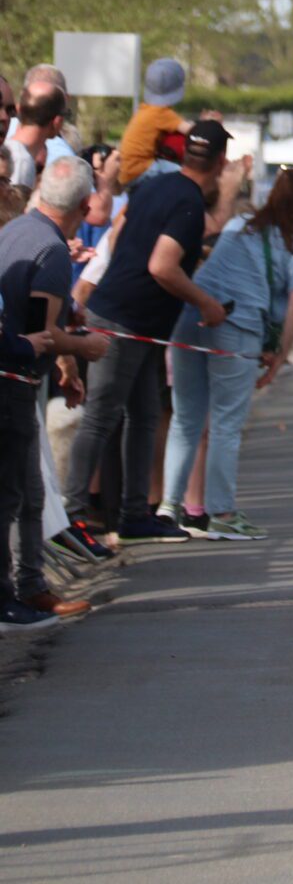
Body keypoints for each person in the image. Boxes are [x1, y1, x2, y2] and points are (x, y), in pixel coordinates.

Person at [64, 121, 237, 542]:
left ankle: (134, 514)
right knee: (101, 417)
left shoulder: (154, 186)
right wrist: (205, 302)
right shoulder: (189, 204)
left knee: (144, 416)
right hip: (123, 321)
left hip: (135, 320)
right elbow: (162, 265)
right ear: (220, 161)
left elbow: (120, 232)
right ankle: (70, 517)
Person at [160, 168, 293, 541]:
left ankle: (169, 508)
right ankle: (222, 512)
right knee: (225, 424)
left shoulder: (238, 226)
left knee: (185, 419)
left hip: (190, 317)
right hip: (239, 326)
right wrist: (280, 354)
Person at [0, 157, 108, 628]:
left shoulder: (18, 230)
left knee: (29, 493)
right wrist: (84, 346)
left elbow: (37, 321)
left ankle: (30, 587)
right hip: (13, 384)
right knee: (14, 495)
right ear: (84, 207)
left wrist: (66, 345)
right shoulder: (52, 249)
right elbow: (44, 334)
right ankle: (12, 596)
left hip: (17, 381)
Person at [117, 58, 200, 188]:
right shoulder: (162, 113)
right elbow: (192, 131)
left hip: (125, 170)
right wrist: (207, 124)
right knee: (187, 176)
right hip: (140, 168)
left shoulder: (145, 109)